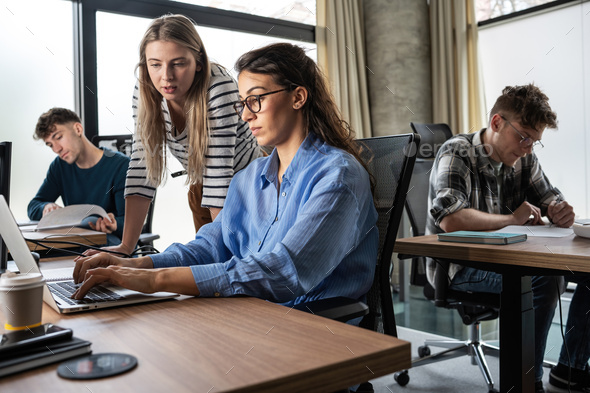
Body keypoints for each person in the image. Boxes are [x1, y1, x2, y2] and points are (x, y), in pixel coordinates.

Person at [71, 42, 378, 319]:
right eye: (242, 103)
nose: (245, 115)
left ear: (298, 97)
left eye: (256, 100)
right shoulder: (249, 178)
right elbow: (210, 246)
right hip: (250, 314)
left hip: (311, 329)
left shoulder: (337, 176)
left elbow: (284, 272)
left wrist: (155, 281)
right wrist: (136, 264)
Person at [426, 84, 588, 393]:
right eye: (524, 137)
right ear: (498, 123)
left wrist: (558, 211)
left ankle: (571, 368)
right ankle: (526, 383)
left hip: (511, 258)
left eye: (535, 142)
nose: (528, 148)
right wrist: (511, 220)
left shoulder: (524, 159)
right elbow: (450, 218)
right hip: (461, 267)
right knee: (543, 278)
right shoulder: (457, 152)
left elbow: (550, 198)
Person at [96, 14, 262, 257]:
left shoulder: (219, 88)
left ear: (199, 62)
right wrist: (126, 248)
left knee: (234, 264)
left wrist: (224, 257)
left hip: (252, 186)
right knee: (212, 269)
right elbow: (142, 167)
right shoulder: (144, 91)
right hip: (201, 187)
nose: (166, 76)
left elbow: (219, 172)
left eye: (178, 63)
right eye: (155, 64)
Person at [28, 108, 129, 244]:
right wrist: (45, 207)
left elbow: (131, 223)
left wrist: (115, 223)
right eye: (50, 145)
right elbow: (34, 206)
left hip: (110, 243)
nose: (57, 149)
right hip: (76, 241)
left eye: (59, 138)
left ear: (78, 129)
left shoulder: (120, 166)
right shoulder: (59, 166)